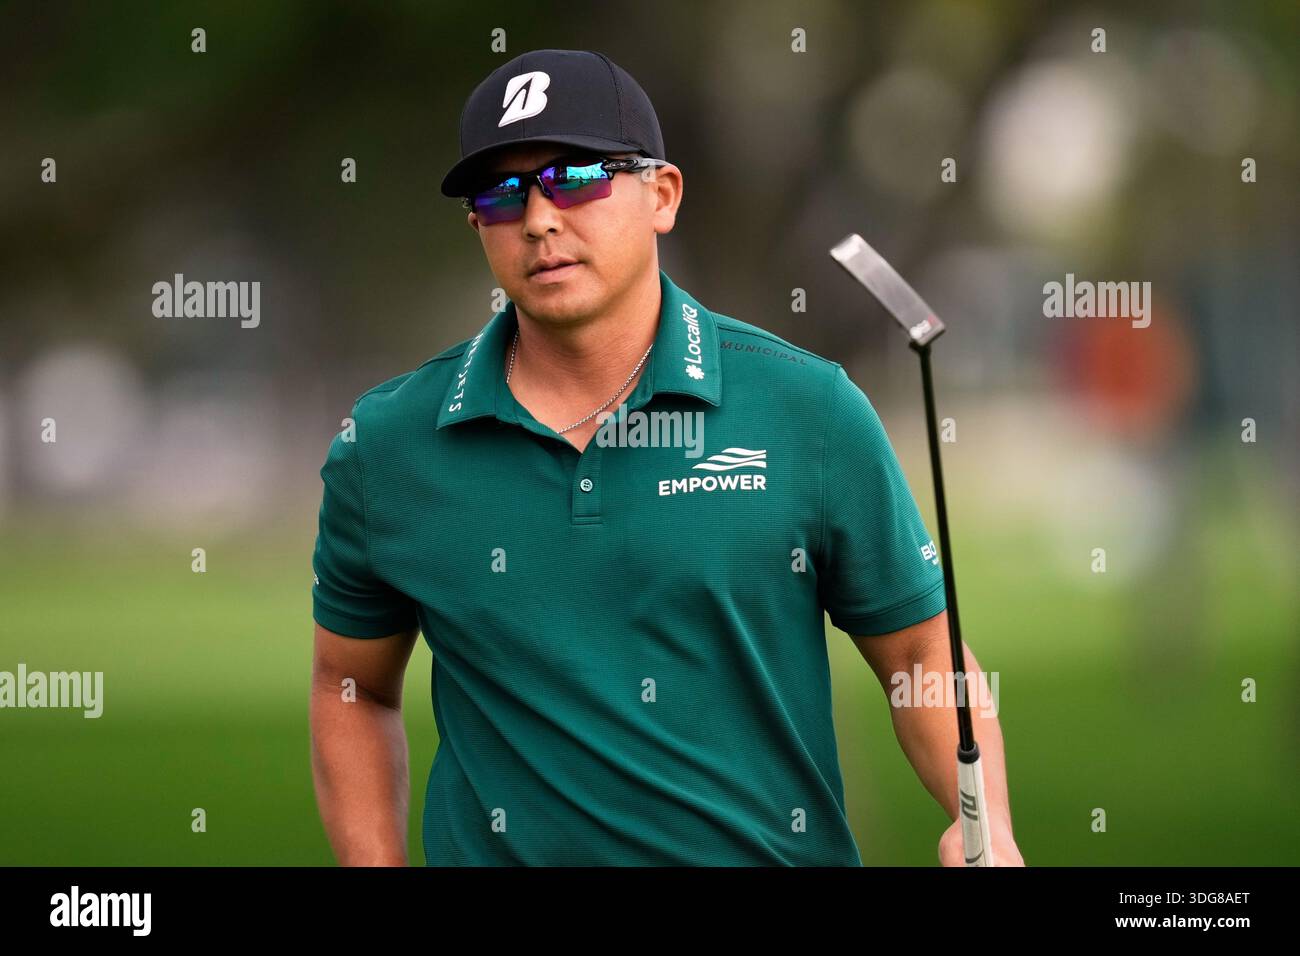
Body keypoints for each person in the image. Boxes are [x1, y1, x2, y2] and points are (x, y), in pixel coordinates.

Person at [308, 48, 1024, 866]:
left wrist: (986, 822)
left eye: (577, 177)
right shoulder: (388, 444)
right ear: (477, 222)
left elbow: (919, 651)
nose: (539, 219)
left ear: (663, 195)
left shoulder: (808, 409)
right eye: (502, 193)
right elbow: (351, 684)